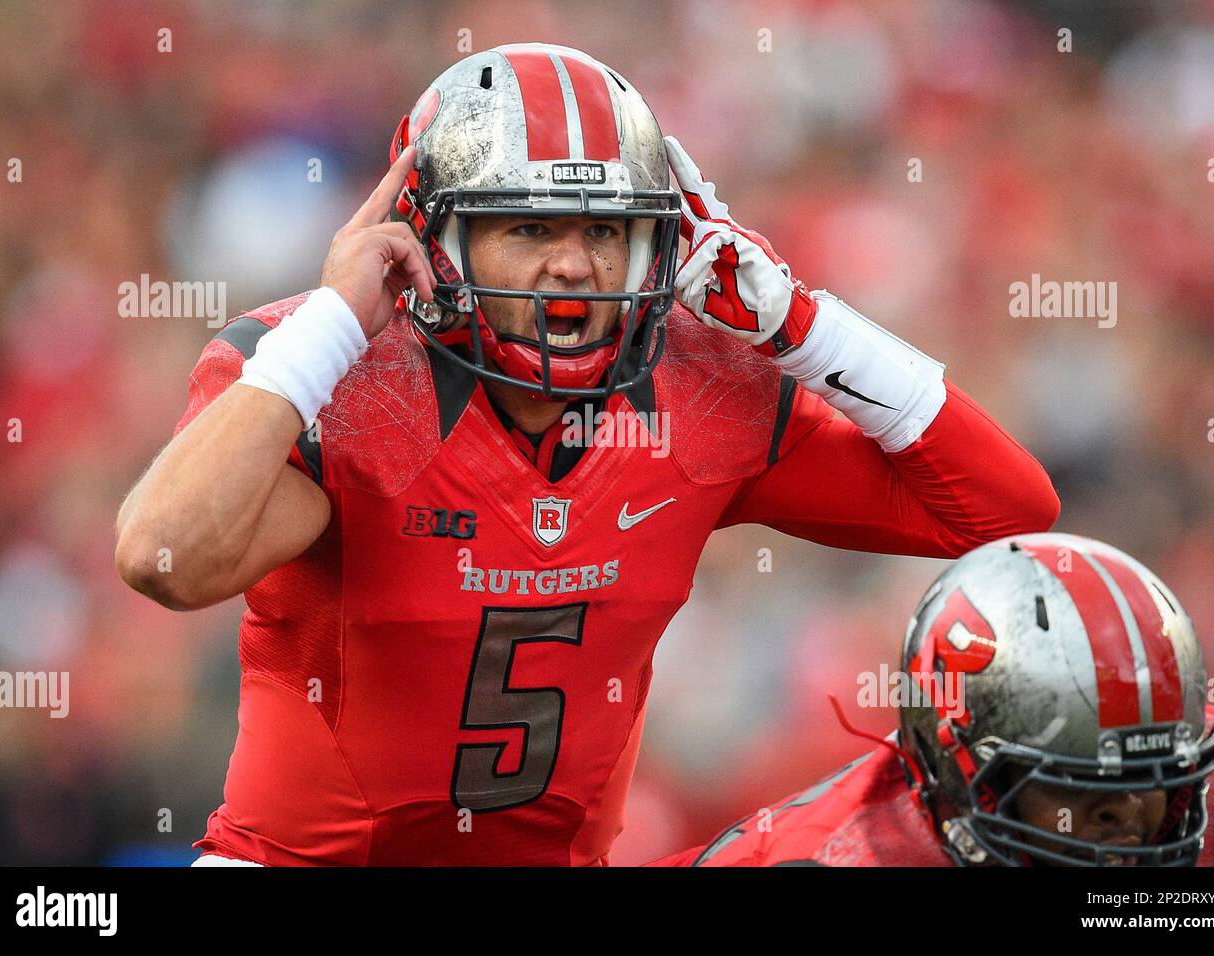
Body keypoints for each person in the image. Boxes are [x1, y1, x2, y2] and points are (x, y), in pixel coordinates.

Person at [113, 42, 1058, 866]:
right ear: (435, 238)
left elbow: (1003, 510)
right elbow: (164, 562)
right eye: (530, 226)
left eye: (604, 230)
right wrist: (329, 329)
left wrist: (804, 325)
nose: (574, 264)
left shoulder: (701, 390)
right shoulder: (337, 374)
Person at [652, 533, 1214, 867]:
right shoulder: (831, 855)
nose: (1127, 814)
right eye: (1077, 786)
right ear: (952, 771)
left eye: (1151, 775)